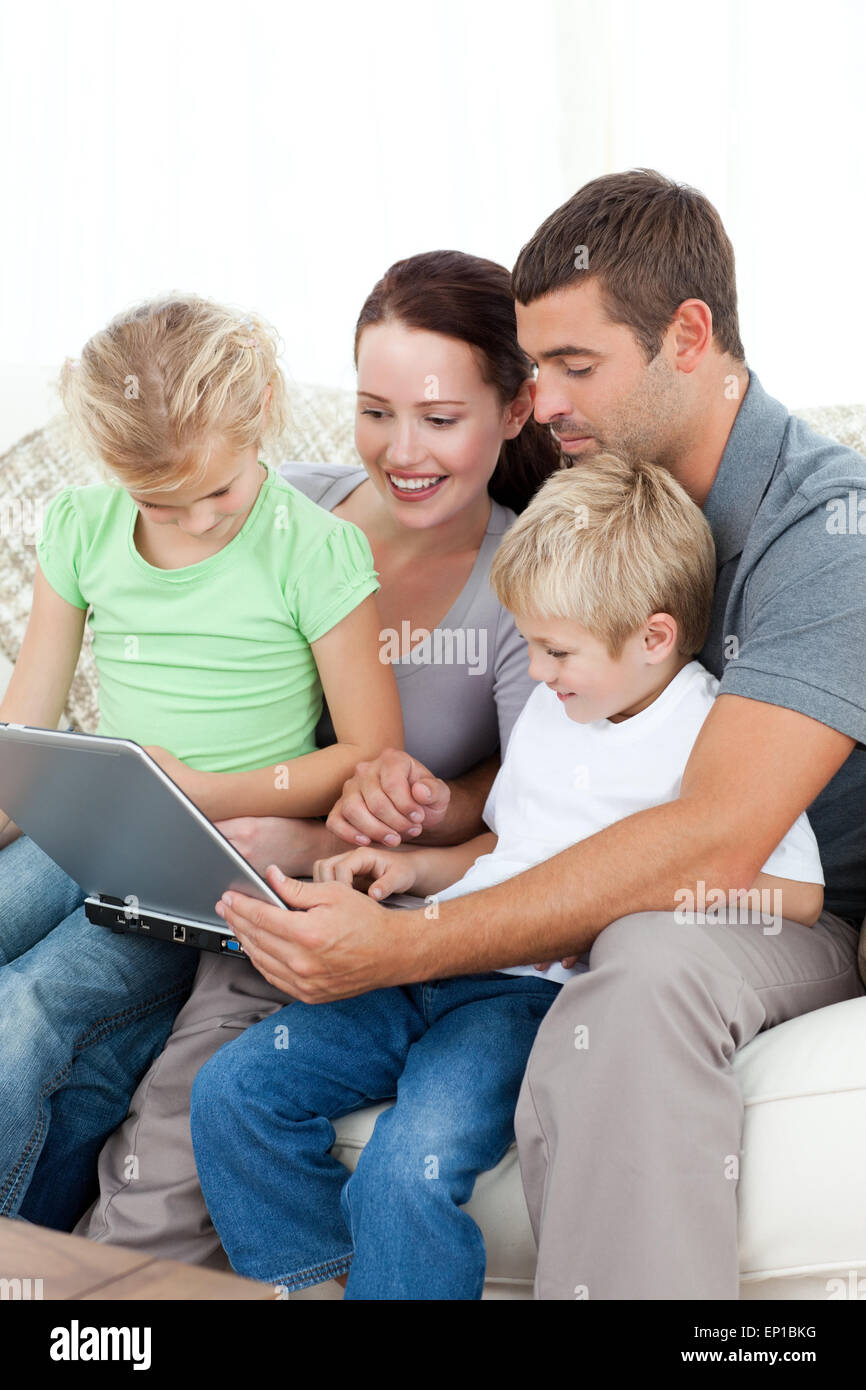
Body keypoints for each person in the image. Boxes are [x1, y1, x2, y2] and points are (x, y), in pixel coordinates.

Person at [212, 171, 866, 1301]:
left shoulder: (827, 530)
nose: (546, 400)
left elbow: (716, 842)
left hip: (778, 899)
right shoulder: (585, 504)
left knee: (645, 963)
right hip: (560, 901)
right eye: (533, 369)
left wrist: (415, 942)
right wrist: (407, 868)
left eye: (575, 367)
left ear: (688, 338)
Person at [190, 454, 826, 1300]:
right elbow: (510, 847)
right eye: (527, 643)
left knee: (404, 1173)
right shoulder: (562, 707)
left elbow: (801, 897)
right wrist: (412, 864)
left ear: (655, 637)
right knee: (231, 1093)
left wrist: (608, 917)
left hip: (522, 999)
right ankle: (319, 1285)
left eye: (555, 650)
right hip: (427, 954)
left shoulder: (714, 734)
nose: (534, 671)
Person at [58, 250, 562, 1260]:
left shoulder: (530, 576)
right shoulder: (269, 507)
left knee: (185, 1112)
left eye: (437, 416)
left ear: (513, 412)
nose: (400, 448)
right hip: (188, 860)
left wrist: (350, 817)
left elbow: (525, 798)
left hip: (339, 895)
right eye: (375, 410)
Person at [0, 292, 403, 1227]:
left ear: (264, 409)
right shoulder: (81, 528)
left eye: (218, 491)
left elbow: (370, 755)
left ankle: (26, 1266)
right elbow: (24, 730)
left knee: (28, 1009)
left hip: (200, 869)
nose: (198, 521)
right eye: (159, 502)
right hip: (85, 827)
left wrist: (202, 791)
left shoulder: (317, 552)